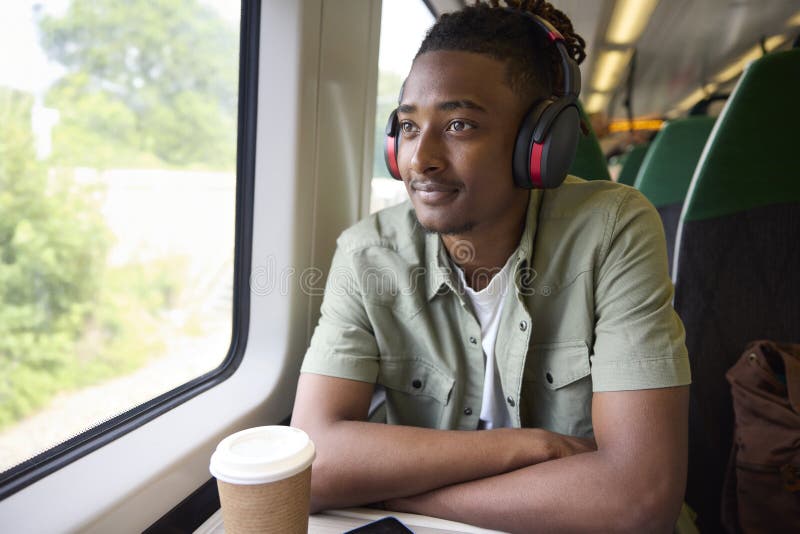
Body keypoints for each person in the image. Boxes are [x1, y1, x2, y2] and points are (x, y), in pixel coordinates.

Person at [291, 1, 691, 532]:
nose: (420, 160)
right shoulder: (367, 253)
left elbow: (639, 499)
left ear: (538, 143)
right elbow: (311, 462)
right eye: (408, 126)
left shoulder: (613, 230)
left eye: (459, 125)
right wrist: (533, 448)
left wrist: (394, 493)